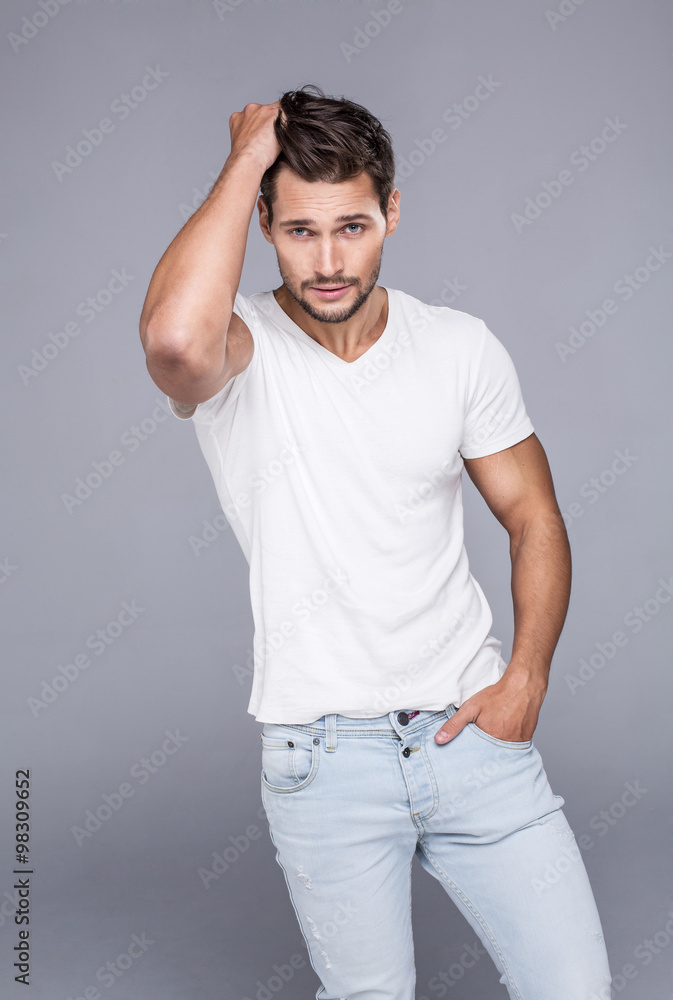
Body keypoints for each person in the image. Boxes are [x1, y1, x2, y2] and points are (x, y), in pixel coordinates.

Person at [139, 84, 612, 1000]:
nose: (325, 261)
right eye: (298, 231)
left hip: (471, 740)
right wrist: (244, 160)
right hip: (322, 759)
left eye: (351, 227)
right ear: (264, 225)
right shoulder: (240, 349)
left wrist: (527, 677)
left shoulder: (458, 346)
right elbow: (170, 339)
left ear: (391, 213)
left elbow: (533, 515)